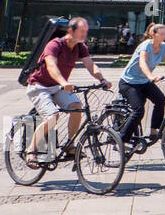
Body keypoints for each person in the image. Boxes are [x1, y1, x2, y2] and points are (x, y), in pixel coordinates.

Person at [25, 17, 111, 163]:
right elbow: (51, 66)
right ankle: (31, 150)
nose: (84, 34)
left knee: (77, 108)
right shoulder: (54, 44)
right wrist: (63, 82)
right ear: (71, 31)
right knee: (52, 117)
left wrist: (102, 79)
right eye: (82, 31)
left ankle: (70, 145)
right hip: (39, 86)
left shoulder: (80, 46)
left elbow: (90, 65)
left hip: (58, 87)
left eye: (86, 31)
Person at [116, 23, 165, 145]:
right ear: (153, 34)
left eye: (164, 34)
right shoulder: (145, 46)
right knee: (138, 110)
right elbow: (142, 63)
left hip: (143, 82)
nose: (163, 36)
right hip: (129, 82)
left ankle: (153, 131)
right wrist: (151, 77)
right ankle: (121, 139)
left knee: (160, 99)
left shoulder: (163, 47)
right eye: (161, 34)